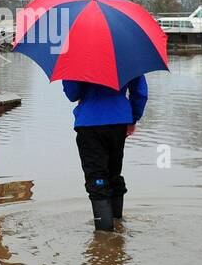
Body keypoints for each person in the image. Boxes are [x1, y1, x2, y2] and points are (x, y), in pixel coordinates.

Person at [63, 75, 148, 232]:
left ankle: (104, 237)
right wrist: (133, 118)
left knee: (97, 178)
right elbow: (140, 93)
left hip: (89, 123)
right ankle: (118, 224)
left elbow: (72, 94)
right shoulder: (126, 53)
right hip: (119, 120)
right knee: (113, 174)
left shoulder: (78, 58)